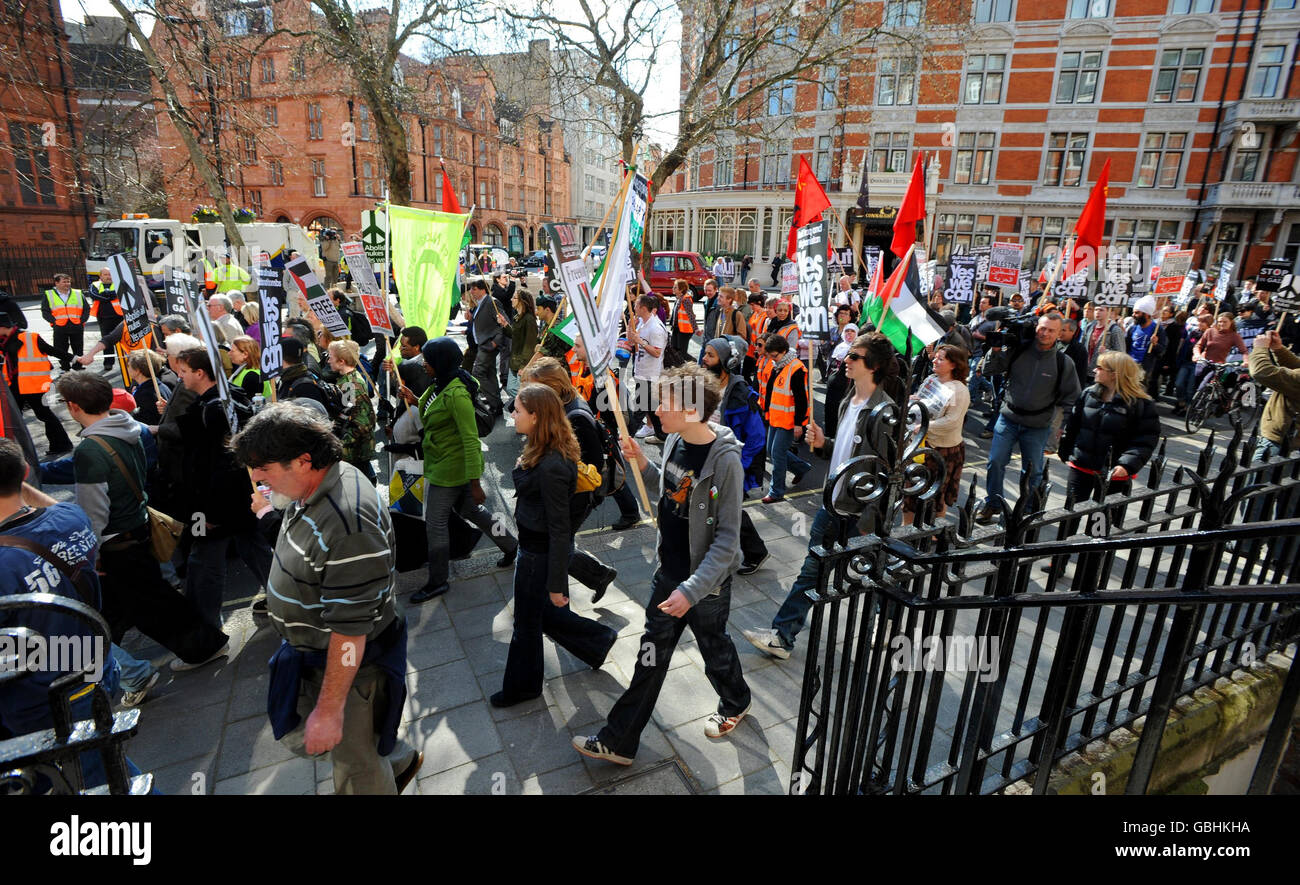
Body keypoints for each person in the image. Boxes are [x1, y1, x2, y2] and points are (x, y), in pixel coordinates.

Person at [235, 404, 422, 795]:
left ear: (303, 461)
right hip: (320, 654)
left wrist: (330, 709)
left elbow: (350, 634)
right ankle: (398, 758)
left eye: (263, 467)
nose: (255, 477)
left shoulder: (347, 525)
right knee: (363, 745)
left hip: (351, 667)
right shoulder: (317, 486)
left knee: (357, 766)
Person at [573, 365, 752, 764]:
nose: (657, 407)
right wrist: (643, 464)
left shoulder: (725, 462)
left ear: (691, 409)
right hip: (668, 573)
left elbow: (727, 540)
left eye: (667, 400)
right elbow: (670, 489)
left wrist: (691, 592)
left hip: (705, 585)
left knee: (714, 646)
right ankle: (618, 741)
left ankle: (736, 701)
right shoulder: (673, 439)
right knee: (650, 656)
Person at [0, 439, 154, 788]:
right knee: (101, 765)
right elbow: (45, 513)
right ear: (24, 473)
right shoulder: (70, 517)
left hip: (44, 697)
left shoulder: (4, 564)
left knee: (98, 780)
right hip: (95, 668)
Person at [54, 371, 230, 668]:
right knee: (125, 608)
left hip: (117, 543)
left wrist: (90, 554)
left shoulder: (90, 451)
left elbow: (94, 511)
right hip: (136, 528)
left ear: (73, 407)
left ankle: (202, 648)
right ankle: (108, 671)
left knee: (152, 606)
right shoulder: (128, 427)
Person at [744, 332, 900, 660]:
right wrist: (823, 443)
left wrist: (869, 519)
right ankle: (782, 637)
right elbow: (843, 453)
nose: (846, 360)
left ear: (871, 366)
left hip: (860, 513)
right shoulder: (848, 399)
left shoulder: (884, 412)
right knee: (811, 571)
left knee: (872, 572)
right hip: (833, 503)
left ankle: (885, 624)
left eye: (855, 357)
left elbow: (885, 472)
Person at [493, 384, 619, 707]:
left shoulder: (551, 465)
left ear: (536, 417)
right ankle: (597, 642)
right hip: (532, 551)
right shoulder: (540, 449)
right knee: (541, 615)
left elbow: (560, 530)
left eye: (518, 410)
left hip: (538, 556)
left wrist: (556, 584)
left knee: (527, 624)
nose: (512, 414)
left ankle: (522, 687)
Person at [399, 337, 517, 603]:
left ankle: (438, 580)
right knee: (473, 512)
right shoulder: (441, 383)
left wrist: (475, 483)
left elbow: (470, 439)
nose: (424, 365)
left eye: (428, 360)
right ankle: (510, 544)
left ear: (440, 361)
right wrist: (415, 400)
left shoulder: (457, 393)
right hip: (443, 462)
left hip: (451, 469)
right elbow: (435, 412)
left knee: (435, 523)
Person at [172, 347, 274, 635]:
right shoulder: (228, 396)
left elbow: (216, 464)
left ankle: (205, 634)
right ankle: (286, 598)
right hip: (237, 499)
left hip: (212, 504)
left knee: (202, 561)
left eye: (183, 371)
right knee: (254, 547)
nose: (180, 377)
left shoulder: (214, 409)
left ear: (200, 373)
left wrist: (205, 511)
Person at [518, 358, 620, 601]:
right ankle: (597, 576)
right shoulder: (561, 405)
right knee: (560, 544)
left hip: (577, 496)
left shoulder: (576, 416)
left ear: (551, 387)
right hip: (567, 492)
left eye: (535, 388)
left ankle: (559, 599)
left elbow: (591, 465)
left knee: (558, 545)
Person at [976, 312, 1081, 521]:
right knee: (995, 461)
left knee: (1032, 471)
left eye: (1051, 330)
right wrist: (995, 350)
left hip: (1038, 425)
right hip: (1008, 419)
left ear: (1059, 333)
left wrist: (1062, 427)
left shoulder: (1063, 362)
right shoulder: (1018, 350)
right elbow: (988, 370)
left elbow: (1071, 397)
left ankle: (1028, 509)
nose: (1045, 333)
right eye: (1042, 328)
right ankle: (993, 504)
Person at [701, 337, 769, 573]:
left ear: (727, 362)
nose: (704, 359)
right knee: (715, 508)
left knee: (726, 510)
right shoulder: (707, 385)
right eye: (705, 353)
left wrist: (740, 464)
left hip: (731, 461)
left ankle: (755, 552)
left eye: (710, 355)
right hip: (711, 456)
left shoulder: (740, 392)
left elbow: (757, 437)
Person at [1058, 351, 1160, 505]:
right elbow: (1073, 426)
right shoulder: (1088, 394)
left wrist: (1126, 465)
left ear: (1114, 374)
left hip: (1115, 474)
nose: (1094, 370)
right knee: (1069, 516)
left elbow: (1146, 440)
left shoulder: (1140, 404)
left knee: (1101, 522)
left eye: (1100, 368)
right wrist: (1065, 451)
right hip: (1082, 466)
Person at [903, 344, 971, 524]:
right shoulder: (931, 379)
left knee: (938, 494)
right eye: (936, 357)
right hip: (921, 445)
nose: (934, 360)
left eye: (941, 359)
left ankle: (933, 532)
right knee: (911, 489)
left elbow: (952, 421)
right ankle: (906, 527)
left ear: (953, 365)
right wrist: (913, 400)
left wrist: (926, 426)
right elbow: (921, 400)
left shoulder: (959, 390)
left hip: (944, 450)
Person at [0, 321, 73, 457]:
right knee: (11, 418)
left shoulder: (30, 337)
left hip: (33, 385)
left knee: (44, 415)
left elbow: (51, 350)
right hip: (15, 386)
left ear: (3, 327)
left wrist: (74, 359)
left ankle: (62, 445)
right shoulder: (3, 341)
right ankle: (13, 451)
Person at [758, 332, 811, 503]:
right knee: (772, 452)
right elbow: (772, 392)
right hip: (776, 417)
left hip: (788, 421)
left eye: (774, 355)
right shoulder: (779, 364)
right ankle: (801, 468)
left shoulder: (796, 369)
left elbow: (802, 400)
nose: (772, 359)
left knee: (777, 453)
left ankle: (776, 491)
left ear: (783, 351)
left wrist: (799, 424)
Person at [327, 339, 377, 482]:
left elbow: (360, 422)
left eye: (331, 357)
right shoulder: (349, 379)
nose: (328, 361)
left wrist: (341, 444)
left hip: (355, 452)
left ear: (341, 361)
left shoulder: (349, 386)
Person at [1249, 330, 1300, 459]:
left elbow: (1262, 372)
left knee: (1261, 478)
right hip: (1287, 441)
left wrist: (1260, 348)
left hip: (1281, 444)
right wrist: (1279, 350)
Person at [627, 293, 668, 440]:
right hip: (641, 370)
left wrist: (641, 341)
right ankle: (662, 434)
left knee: (639, 409)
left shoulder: (655, 328)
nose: (634, 307)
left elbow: (657, 352)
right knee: (652, 407)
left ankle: (626, 437)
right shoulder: (641, 322)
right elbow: (632, 343)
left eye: (636, 305)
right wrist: (630, 333)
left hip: (650, 375)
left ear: (643, 308)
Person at [465, 278, 506, 414]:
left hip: (488, 345)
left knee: (477, 373)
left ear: (483, 289)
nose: (471, 292)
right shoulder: (480, 303)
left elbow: (503, 323)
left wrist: (495, 342)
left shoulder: (492, 302)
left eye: (474, 289)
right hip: (482, 344)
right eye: (471, 289)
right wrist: (471, 318)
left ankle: (494, 401)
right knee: (490, 373)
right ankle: (496, 404)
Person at [41, 273, 90, 371]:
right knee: (60, 348)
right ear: (56, 283)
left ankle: (78, 366)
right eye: (64, 282)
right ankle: (65, 367)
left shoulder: (78, 293)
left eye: (68, 281)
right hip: (60, 326)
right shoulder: (49, 294)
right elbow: (45, 311)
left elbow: (86, 309)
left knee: (78, 348)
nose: (67, 284)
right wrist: (54, 322)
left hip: (76, 325)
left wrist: (81, 321)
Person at [1172, 312, 1212, 416]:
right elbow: (1186, 346)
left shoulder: (1211, 335)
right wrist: (1180, 359)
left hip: (1198, 365)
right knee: (1179, 383)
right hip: (1186, 362)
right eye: (1199, 321)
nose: (1200, 324)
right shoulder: (1194, 333)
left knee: (1191, 387)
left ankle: (1188, 407)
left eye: (1203, 322)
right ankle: (1181, 402)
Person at [1125, 295, 1166, 397]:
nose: (1133, 315)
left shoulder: (1157, 329)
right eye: (1134, 312)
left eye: (1137, 313)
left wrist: (1155, 344)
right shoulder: (1133, 328)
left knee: (1138, 392)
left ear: (1146, 314)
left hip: (1144, 367)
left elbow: (1162, 351)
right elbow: (1126, 345)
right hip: (1129, 364)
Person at [86, 267, 122, 372]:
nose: (108, 277)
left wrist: (105, 296)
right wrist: (110, 296)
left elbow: (118, 294)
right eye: (105, 274)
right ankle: (108, 363)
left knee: (123, 339)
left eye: (110, 274)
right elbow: (95, 295)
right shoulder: (95, 285)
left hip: (119, 316)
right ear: (100, 276)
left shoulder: (118, 283)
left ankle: (126, 362)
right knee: (106, 341)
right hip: (104, 317)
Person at [126, 349, 170, 427]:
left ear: (137, 370)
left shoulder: (146, 395)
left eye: (128, 365)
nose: (127, 368)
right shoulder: (160, 385)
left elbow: (142, 423)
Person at [507, 289, 538, 399]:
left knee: (516, 390)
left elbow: (529, 345)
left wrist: (523, 366)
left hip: (522, 363)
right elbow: (515, 336)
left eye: (514, 298)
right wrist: (505, 325)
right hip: (514, 361)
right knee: (512, 389)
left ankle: (531, 406)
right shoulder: (517, 317)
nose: (511, 300)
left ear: (522, 301)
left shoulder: (529, 320)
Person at [670, 279, 697, 358]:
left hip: (684, 330)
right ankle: (679, 369)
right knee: (674, 350)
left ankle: (694, 363)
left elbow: (691, 315)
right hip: (676, 329)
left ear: (681, 289)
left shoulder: (686, 300)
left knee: (682, 353)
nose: (673, 289)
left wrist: (696, 329)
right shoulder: (678, 299)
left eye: (675, 287)